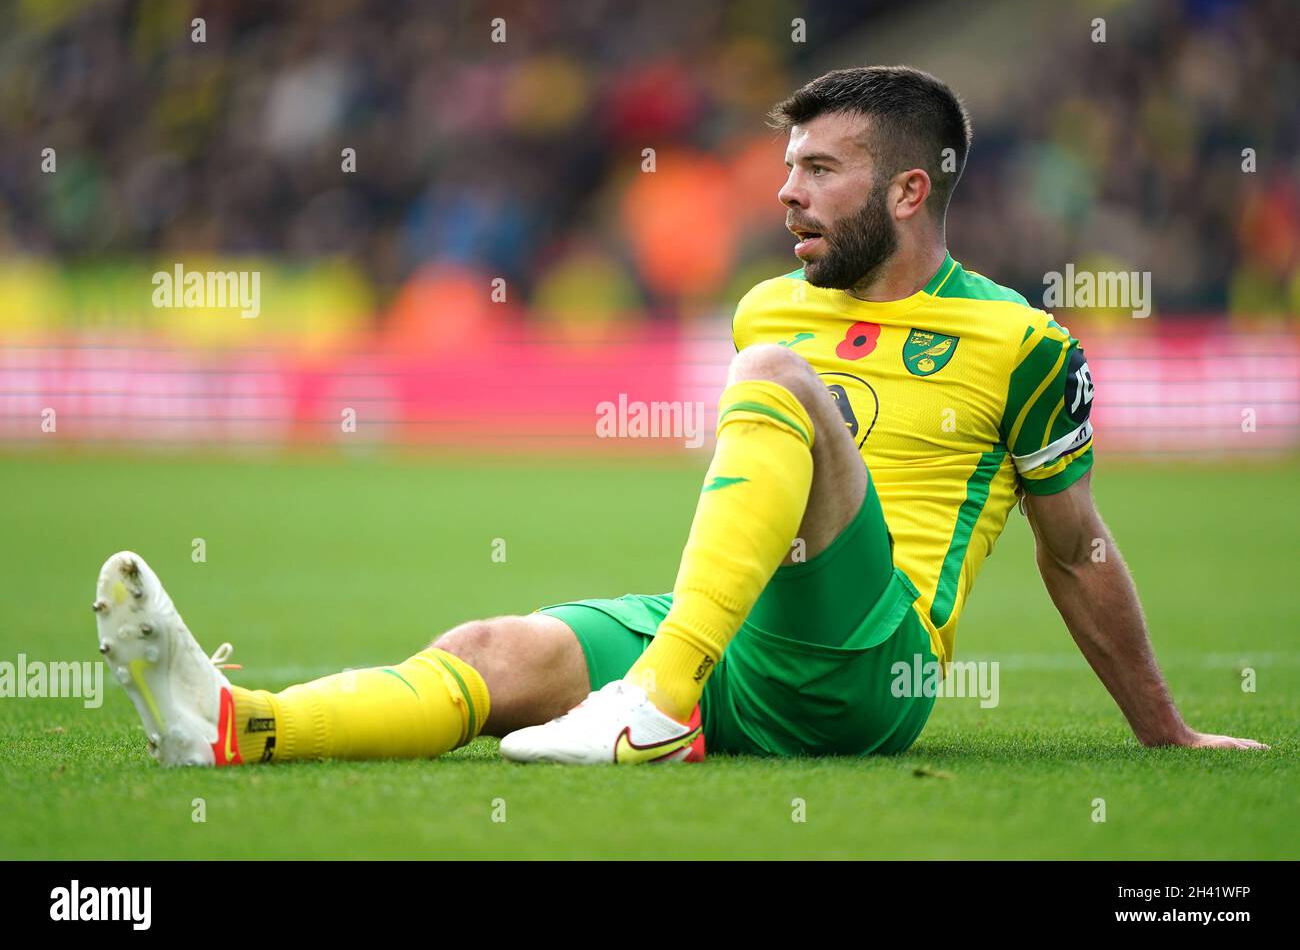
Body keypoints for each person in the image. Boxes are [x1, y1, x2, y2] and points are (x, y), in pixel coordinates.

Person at [93, 66, 1267, 768]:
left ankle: (652, 706)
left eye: (818, 170)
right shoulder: (771, 304)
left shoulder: (1025, 342)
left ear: (909, 190)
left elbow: (1077, 550)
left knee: (776, 382)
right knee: (489, 649)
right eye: (787, 167)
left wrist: (1163, 733)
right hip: (739, 644)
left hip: (872, 674)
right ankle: (239, 726)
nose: (784, 191)